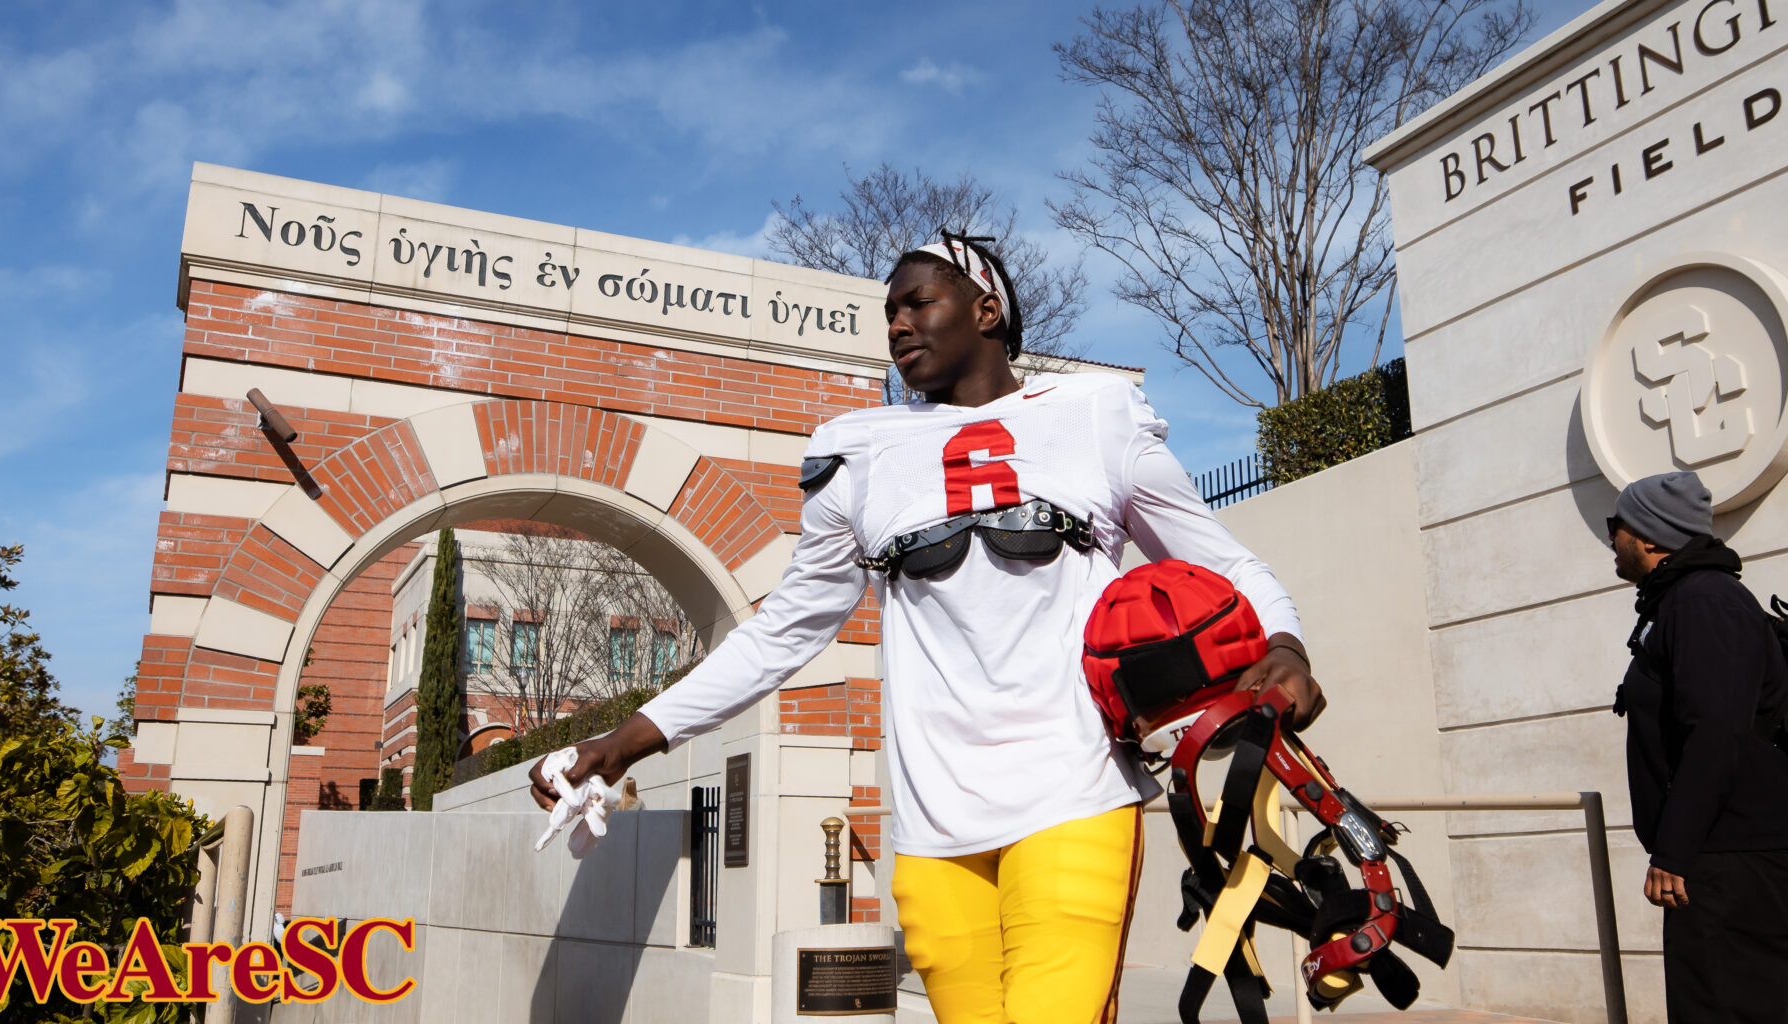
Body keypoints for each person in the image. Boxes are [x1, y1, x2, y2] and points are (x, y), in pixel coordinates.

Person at [531, 234, 1323, 1023]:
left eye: (918, 303)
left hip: (1073, 793)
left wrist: (1284, 647)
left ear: (987, 310)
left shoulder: (1093, 418)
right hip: (934, 828)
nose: (898, 325)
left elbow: (1230, 568)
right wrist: (625, 741)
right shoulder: (861, 455)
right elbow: (780, 634)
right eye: (889, 313)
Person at [1607, 471, 1788, 1023]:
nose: (1612, 538)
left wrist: (1673, 851)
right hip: (1724, 856)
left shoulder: (1706, 602)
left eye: (1618, 525)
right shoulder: (1685, 601)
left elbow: (1717, 730)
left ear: (1651, 536)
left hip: (1735, 862)